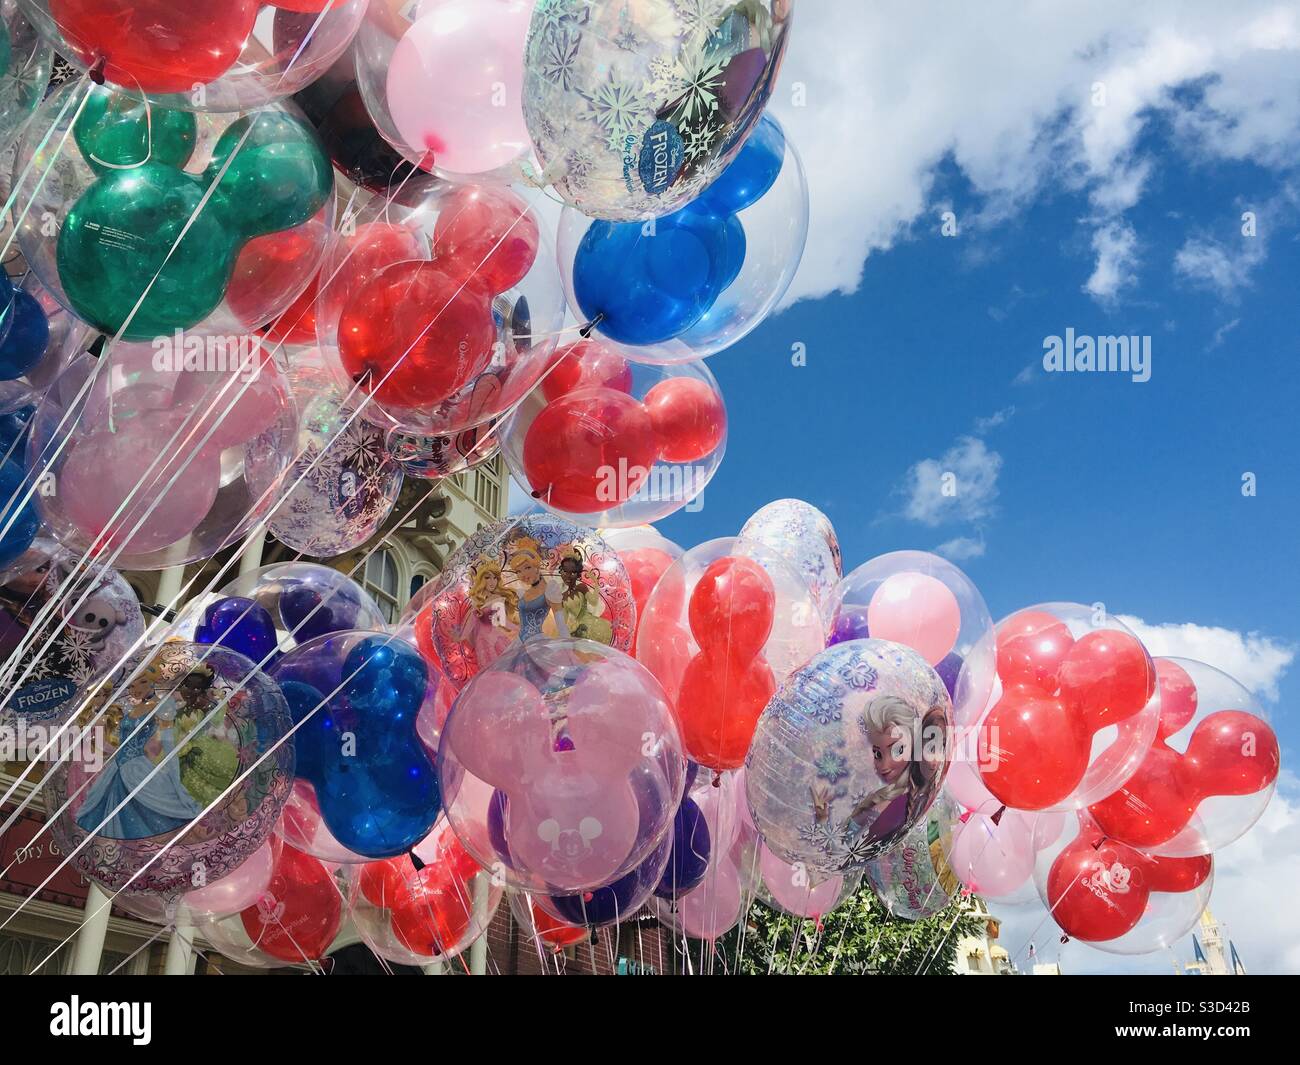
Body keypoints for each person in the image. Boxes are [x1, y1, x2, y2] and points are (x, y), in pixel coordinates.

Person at [75, 667, 204, 840]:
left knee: (146, 820)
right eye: (131, 685)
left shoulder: (163, 705)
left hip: (136, 769)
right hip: (115, 770)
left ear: (153, 680)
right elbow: (119, 741)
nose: (137, 688)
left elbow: (167, 742)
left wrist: (174, 779)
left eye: (143, 681)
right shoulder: (133, 710)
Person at [456, 559, 520, 668]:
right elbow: (471, 623)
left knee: (506, 667)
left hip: (495, 639)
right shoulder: (477, 602)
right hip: (482, 642)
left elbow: (502, 622)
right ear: (481, 580)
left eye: (495, 578)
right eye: (487, 577)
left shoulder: (497, 599)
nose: (492, 581)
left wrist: (518, 627)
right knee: (491, 671)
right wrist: (461, 637)